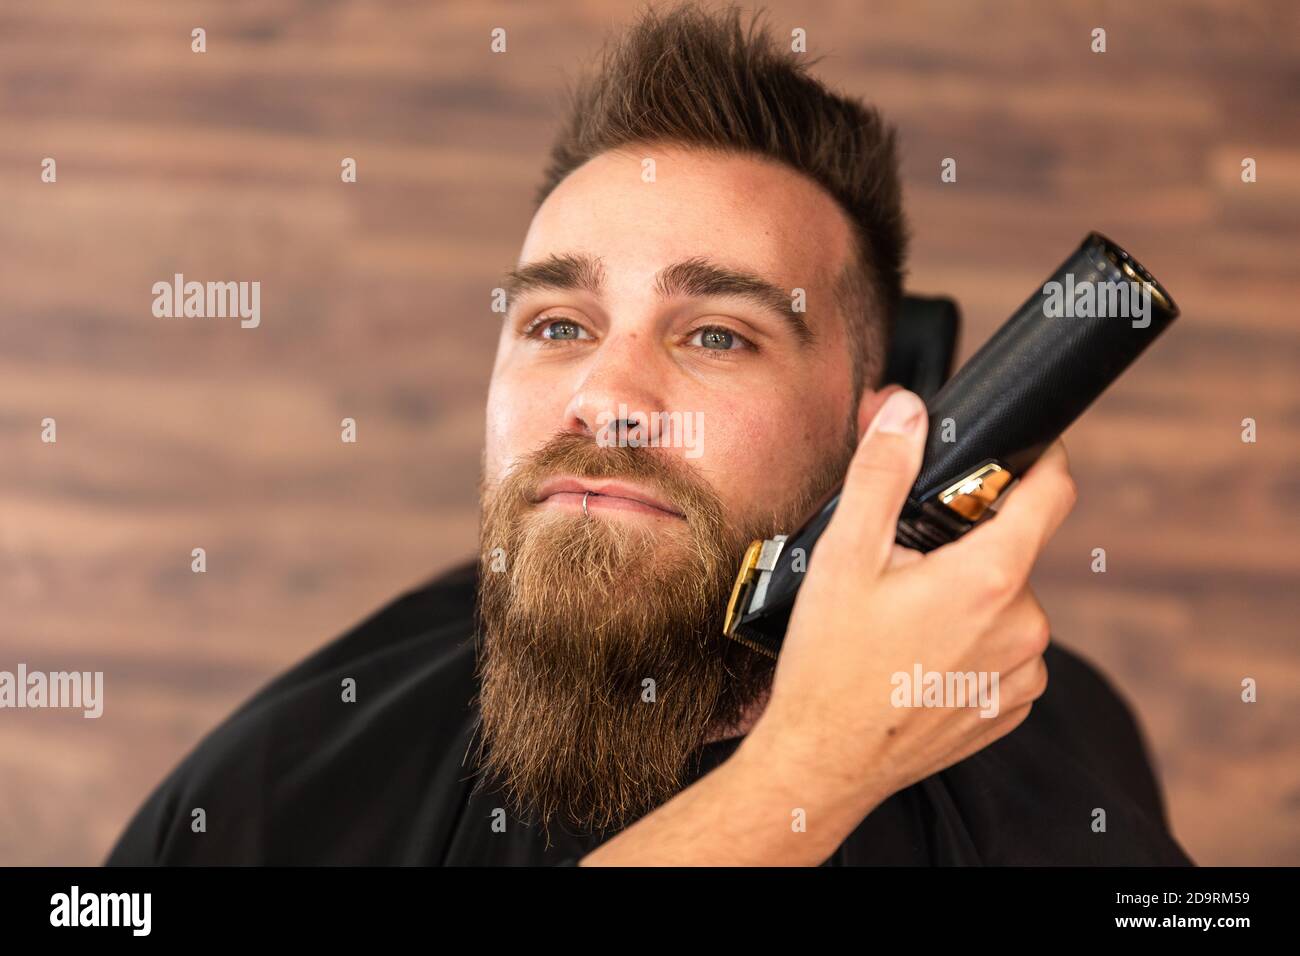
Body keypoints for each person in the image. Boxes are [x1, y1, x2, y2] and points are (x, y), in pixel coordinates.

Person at [106, 2, 1191, 866]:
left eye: (716, 333)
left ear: (882, 434)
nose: (604, 396)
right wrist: (807, 774)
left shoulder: (1061, 797)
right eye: (559, 324)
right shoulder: (266, 800)